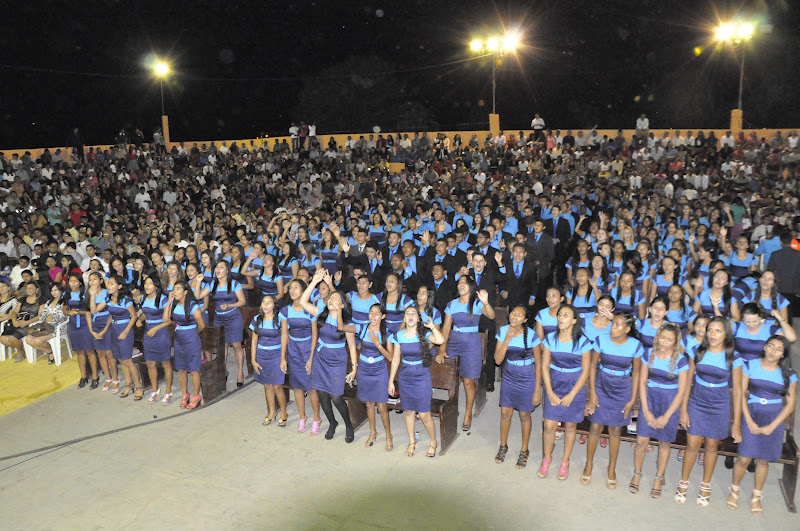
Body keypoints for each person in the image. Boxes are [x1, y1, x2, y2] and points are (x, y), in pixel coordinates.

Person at [675, 316, 743, 507]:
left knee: (712, 446)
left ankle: (706, 484)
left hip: (719, 403)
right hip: (698, 400)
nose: (712, 334)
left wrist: (736, 422)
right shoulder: (697, 351)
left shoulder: (733, 357)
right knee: (692, 444)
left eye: (718, 330)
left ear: (726, 334)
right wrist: (684, 409)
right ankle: (684, 481)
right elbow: (687, 382)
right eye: (710, 330)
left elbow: (737, 390)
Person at [727, 335, 797, 515]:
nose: (773, 351)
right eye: (771, 346)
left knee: (763, 460)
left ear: (783, 354)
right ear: (765, 347)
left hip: (773, 418)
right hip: (752, 413)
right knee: (744, 457)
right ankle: (734, 490)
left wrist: (772, 426)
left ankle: (756, 496)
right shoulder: (750, 365)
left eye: (779, 349)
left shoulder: (789, 374)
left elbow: (790, 405)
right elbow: (742, 393)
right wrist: (748, 420)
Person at [583, 313, 643, 488]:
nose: (612, 327)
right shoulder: (601, 340)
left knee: (615, 430)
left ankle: (611, 468)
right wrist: (592, 393)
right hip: (602, 384)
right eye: (613, 324)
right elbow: (593, 366)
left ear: (627, 329)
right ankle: (589, 464)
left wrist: (633, 398)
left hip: (622, 388)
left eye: (617, 325)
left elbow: (637, 372)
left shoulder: (635, 345)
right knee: (595, 427)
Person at [631, 323, 690, 498]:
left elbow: (682, 391)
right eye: (662, 338)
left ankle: (659, 477)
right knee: (641, 441)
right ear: (657, 337)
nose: (664, 342)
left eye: (669, 339)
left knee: (664, 443)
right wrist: (646, 411)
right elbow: (642, 382)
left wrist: (666, 416)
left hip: (669, 403)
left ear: (675, 341)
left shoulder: (681, 359)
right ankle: (637, 473)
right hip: (650, 399)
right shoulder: (648, 353)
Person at [299, 271, 358, 443]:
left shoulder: (348, 323)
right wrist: (314, 281)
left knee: (336, 396)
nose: (332, 301)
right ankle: (332, 422)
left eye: (336, 300)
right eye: (331, 299)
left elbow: (352, 346)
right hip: (320, 357)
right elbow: (303, 301)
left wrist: (354, 368)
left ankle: (348, 424)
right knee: (322, 394)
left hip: (337, 360)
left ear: (342, 305)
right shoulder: (321, 313)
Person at [539, 303, 593, 480]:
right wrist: (550, 391)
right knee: (549, 425)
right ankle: (547, 458)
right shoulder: (550, 339)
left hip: (574, 384)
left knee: (570, 425)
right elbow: (545, 366)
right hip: (554, 382)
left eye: (566, 315)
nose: (561, 318)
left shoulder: (583, 341)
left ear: (574, 320)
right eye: (560, 314)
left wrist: (572, 395)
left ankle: (565, 461)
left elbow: (585, 371)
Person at [439, 276, 496, 431]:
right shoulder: (452, 304)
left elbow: (491, 315)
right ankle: (452, 404)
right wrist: (442, 348)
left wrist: (485, 301)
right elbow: (446, 327)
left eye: (464, 283)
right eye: (459, 283)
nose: (461, 285)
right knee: (451, 378)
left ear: (470, 287)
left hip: (471, 343)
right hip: (454, 342)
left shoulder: (476, 303)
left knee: (469, 381)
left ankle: (468, 412)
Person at [388, 306, 446, 458]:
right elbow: (395, 359)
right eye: (408, 313)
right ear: (404, 318)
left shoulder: (424, 334)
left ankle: (433, 442)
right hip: (405, 376)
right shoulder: (399, 335)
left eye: (414, 313)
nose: (411, 315)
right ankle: (412, 442)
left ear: (418, 318)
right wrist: (391, 381)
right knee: (408, 411)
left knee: (425, 414)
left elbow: (441, 340)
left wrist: (432, 326)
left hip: (421, 376)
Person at [337, 302, 394, 449]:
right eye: (371, 313)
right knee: (369, 404)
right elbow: (341, 327)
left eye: (376, 313)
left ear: (383, 316)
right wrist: (338, 310)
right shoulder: (362, 328)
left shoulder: (386, 332)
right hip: (364, 370)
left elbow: (391, 358)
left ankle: (389, 435)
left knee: (382, 407)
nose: (373, 316)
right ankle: (373, 432)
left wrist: (378, 344)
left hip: (379, 370)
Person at [494, 306, 542, 469]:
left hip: (527, 377)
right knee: (505, 413)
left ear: (525, 320)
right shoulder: (503, 330)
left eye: (519, 314)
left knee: (524, 415)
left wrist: (537, 390)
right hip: (509, 375)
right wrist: (507, 339)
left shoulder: (532, 335)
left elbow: (539, 363)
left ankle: (524, 450)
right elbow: (498, 360)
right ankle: (503, 445)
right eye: (513, 313)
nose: (515, 316)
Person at [193, 260, 246, 386]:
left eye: (221, 267)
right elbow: (197, 296)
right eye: (217, 267)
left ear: (227, 270)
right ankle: (223, 370)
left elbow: (242, 301)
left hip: (233, 317)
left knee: (237, 345)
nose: (218, 269)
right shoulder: (212, 284)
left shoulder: (234, 284)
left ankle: (240, 373)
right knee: (223, 346)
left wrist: (229, 305)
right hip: (219, 318)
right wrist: (198, 282)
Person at [280, 278, 321, 434]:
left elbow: (314, 335)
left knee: (311, 388)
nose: (292, 290)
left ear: (304, 291)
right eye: (291, 288)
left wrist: (311, 358)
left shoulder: (310, 309)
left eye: (296, 288)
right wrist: (283, 357)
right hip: (293, 350)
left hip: (308, 348)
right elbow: (284, 334)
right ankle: (302, 418)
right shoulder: (285, 311)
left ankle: (317, 419)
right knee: (296, 386)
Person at [166, 281, 206, 409]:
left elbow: (202, 325)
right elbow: (167, 319)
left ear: (185, 292)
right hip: (179, 339)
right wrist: (169, 301)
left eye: (178, 289)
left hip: (191, 338)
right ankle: (185, 394)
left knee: (193, 369)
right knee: (181, 368)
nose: (175, 291)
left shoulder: (192, 305)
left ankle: (196, 395)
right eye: (174, 289)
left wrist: (193, 334)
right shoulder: (175, 304)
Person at [102, 274, 142, 400]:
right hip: (114, 330)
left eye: (112, 283)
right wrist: (105, 329)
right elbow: (110, 316)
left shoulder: (126, 300)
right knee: (120, 359)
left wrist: (125, 331)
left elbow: (134, 316)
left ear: (119, 286)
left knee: (128, 360)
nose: (109, 285)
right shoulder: (108, 299)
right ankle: (128, 384)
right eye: (109, 283)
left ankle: (139, 386)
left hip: (124, 329)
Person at [249, 294, 288, 426]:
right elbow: (254, 341)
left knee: (277, 386)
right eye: (263, 302)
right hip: (261, 354)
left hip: (276, 354)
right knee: (267, 386)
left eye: (269, 302)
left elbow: (284, 339)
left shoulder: (280, 318)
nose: (265, 305)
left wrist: (283, 359)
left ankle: (283, 412)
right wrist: (253, 360)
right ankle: (272, 411)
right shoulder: (257, 319)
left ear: (274, 305)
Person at [136, 275, 173, 404]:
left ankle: (168, 392)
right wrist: (140, 320)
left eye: (150, 283)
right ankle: (155, 390)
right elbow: (146, 313)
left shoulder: (163, 299)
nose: (147, 286)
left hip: (161, 333)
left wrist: (155, 329)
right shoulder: (145, 298)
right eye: (146, 283)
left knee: (165, 363)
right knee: (150, 363)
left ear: (156, 286)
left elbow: (169, 320)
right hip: (148, 333)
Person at [88, 271, 118, 392]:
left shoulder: (107, 293)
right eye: (90, 280)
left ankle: (116, 378)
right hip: (95, 324)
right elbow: (89, 312)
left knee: (109, 353)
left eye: (95, 279)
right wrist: (91, 330)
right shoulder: (89, 293)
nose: (93, 282)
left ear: (101, 280)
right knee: (100, 353)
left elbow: (107, 312)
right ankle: (108, 378)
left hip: (106, 322)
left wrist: (105, 329)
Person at [24, 283, 69, 364]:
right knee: (28, 339)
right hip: (45, 326)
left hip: (57, 327)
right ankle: (50, 352)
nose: (53, 292)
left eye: (56, 290)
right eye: (52, 290)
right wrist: (47, 317)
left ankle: (51, 354)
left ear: (61, 291)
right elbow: (42, 315)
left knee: (37, 341)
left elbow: (63, 316)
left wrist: (52, 318)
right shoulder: (49, 302)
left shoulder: (64, 302)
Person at [1, 282, 43, 362]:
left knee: (12, 338)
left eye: (31, 288)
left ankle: (19, 351)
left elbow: (39, 316)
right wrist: (14, 320)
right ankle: (23, 347)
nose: (29, 290)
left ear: (37, 290)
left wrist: (26, 322)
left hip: (31, 323)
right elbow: (14, 312)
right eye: (27, 288)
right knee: (3, 339)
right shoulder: (22, 299)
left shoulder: (41, 300)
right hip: (19, 321)